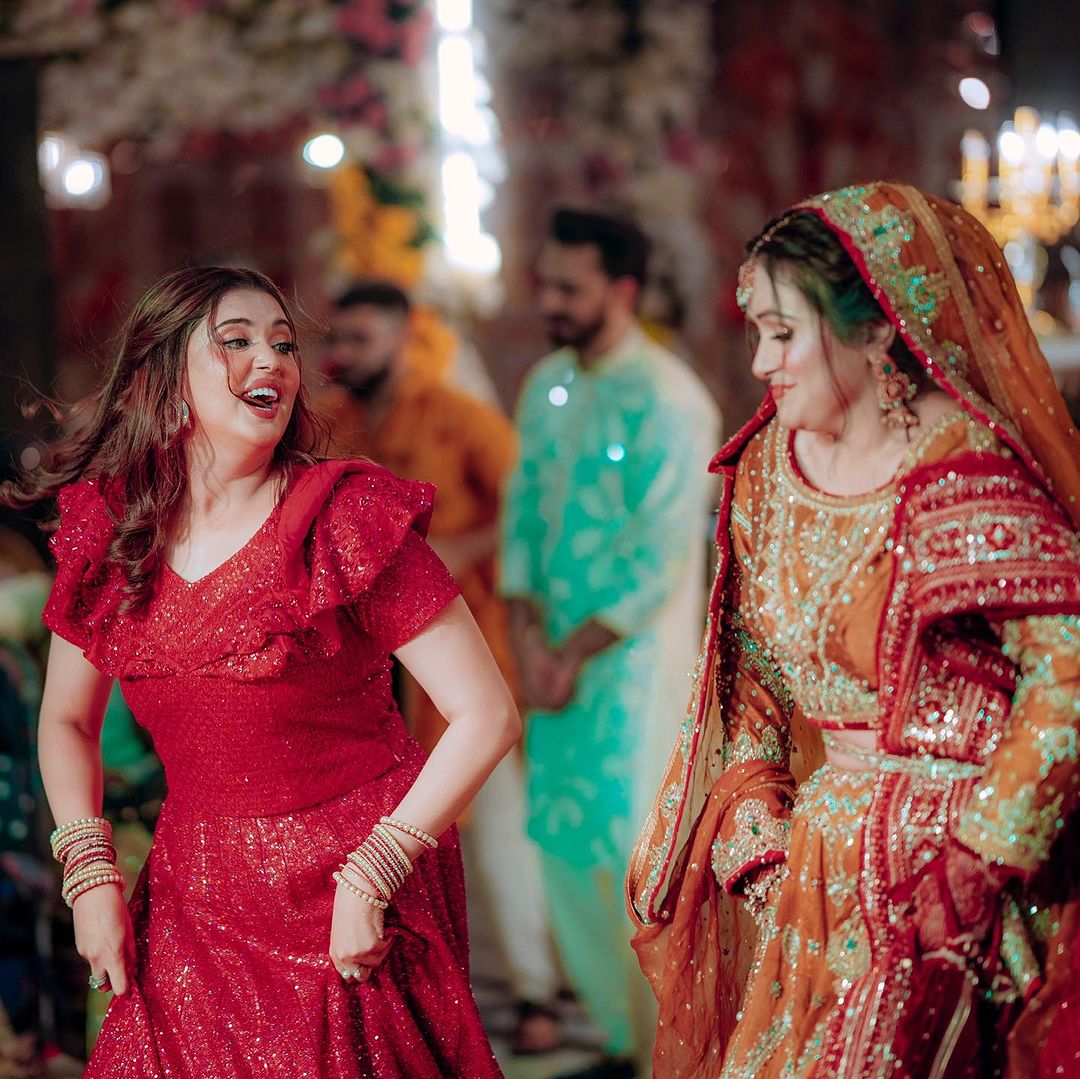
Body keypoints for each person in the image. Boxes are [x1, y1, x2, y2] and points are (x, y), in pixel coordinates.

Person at [2, 266, 520, 1078]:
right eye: (236, 341)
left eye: (283, 343)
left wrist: (376, 870)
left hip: (350, 888)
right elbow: (67, 720)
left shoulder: (343, 517)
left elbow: (487, 714)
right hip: (194, 897)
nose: (272, 359)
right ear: (162, 378)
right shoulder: (115, 531)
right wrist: (90, 873)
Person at [627, 182, 1080, 1078]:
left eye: (784, 333)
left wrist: (979, 859)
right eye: (757, 333)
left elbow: (1066, 677)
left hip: (957, 885)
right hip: (814, 874)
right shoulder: (767, 466)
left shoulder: (960, 473)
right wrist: (755, 826)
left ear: (876, 332)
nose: (763, 361)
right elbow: (750, 675)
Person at [314, 280, 564, 1054]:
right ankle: (412, 1005)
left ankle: (535, 992)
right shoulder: (333, 423)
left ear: (404, 336)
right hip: (365, 668)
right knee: (393, 830)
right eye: (337, 339)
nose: (344, 353)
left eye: (360, 338)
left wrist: (456, 551)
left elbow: (532, 502)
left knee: (497, 827)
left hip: (459, 654)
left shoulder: (457, 415)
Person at [501, 208, 721, 1078]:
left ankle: (666, 1049)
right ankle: (624, 1042)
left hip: (631, 672)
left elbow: (660, 556)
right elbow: (522, 518)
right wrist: (526, 640)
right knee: (562, 848)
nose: (550, 302)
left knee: (638, 859)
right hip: (552, 668)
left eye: (570, 287)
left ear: (622, 290)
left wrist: (568, 654)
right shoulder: (546, 385)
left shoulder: (672, 399)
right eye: (546, 284)